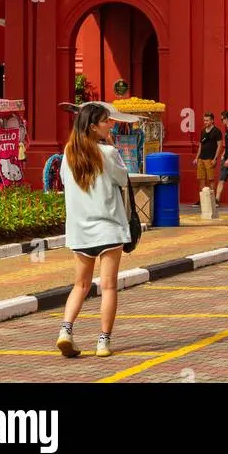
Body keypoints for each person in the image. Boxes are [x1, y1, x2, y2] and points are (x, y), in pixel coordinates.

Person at [57, 102, 131, 358]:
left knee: (80, 285)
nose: (111, 124)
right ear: (93, 127)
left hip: (80, 230)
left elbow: (65, 182)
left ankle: (65, 330)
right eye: (106, 121)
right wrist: (110, 146)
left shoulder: (68, 153)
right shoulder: (108, 153)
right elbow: (122, 179)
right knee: (108, 286)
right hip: (108, 227)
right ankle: (103, 342)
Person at [195, 111, 222, 203]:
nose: (205, 122)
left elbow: (219, 146)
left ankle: (212, 200)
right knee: (201, 179)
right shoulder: (203, 131)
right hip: (201, 158)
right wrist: (196, 158)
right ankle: (202, 200)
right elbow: (200, 145)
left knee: (211, 179)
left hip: (210, 159)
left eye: (207, 120)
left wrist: (215, 158)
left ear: (212, 121)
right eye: (204, 120)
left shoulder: (217, 131)